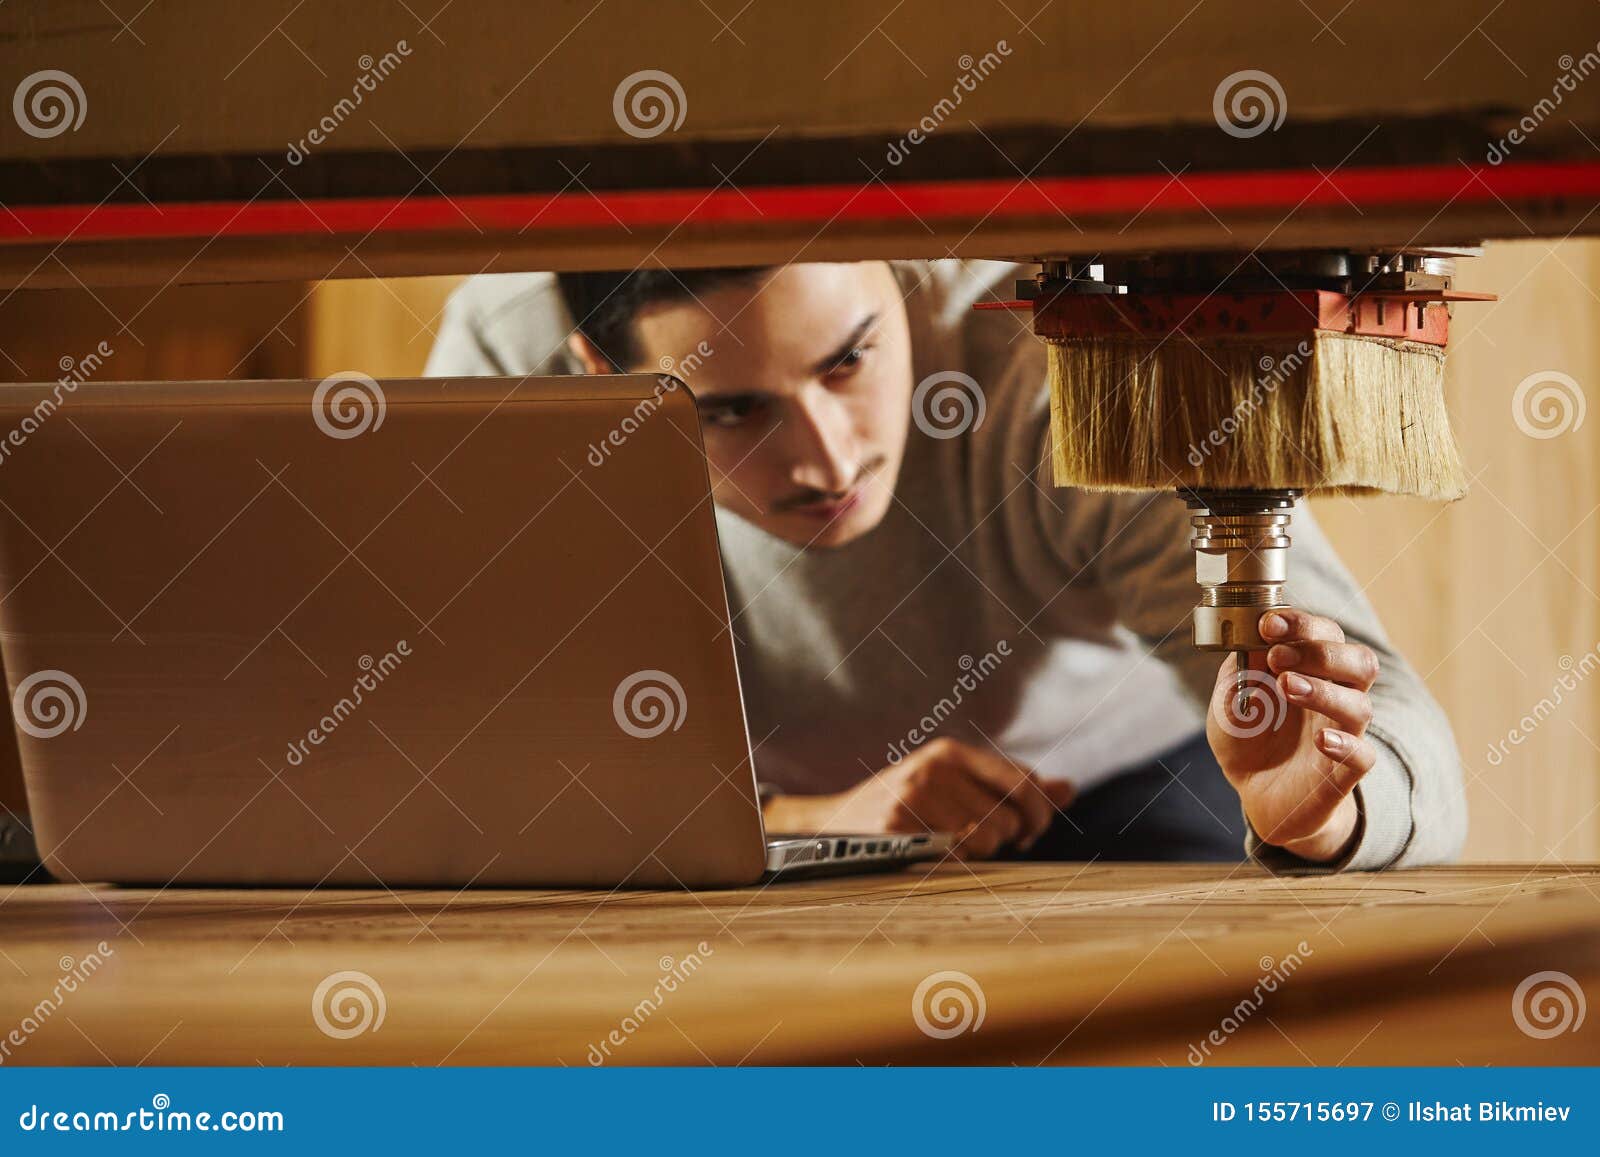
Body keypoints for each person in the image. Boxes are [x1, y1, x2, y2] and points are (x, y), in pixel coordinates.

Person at [424, 259, 1466, 871]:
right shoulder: (508, 362)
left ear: (896, 264)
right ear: (597, 372)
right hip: (741, 827)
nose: (827, 459)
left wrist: (1324, 806)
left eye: (848, 360)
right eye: (732, 409)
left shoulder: (1056, 354)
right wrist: (796, 826)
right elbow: (464, 772)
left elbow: (1399, 722)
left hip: (1119, 786)